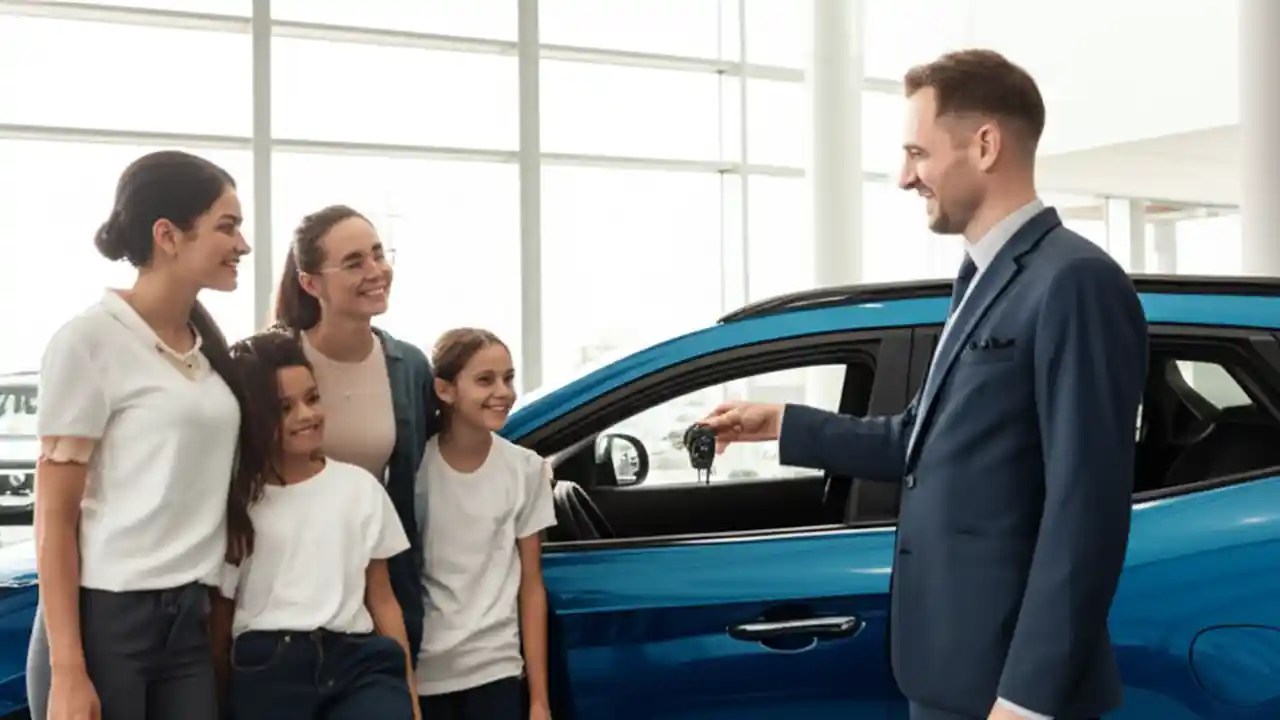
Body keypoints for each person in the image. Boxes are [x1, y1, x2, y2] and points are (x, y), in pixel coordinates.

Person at [700, 50, 1147, 720]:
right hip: (949, 670)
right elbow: (924, 440)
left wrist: (1027, 699)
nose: (905, 176)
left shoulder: (1073, 281)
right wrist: (781, 424)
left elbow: (1085, 511)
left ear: (985, 144)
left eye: (918, 152)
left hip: (1009, 687)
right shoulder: (979, 280)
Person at [27, 150, 254, 720]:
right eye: (227, 226)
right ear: (168, 235)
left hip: (188, 620)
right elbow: (54, 516)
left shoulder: (206, 348)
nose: (242, 244)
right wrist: (68, 671)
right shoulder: (89, 341)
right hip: (107, 623)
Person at [209, 331, 420, 720]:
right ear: (254, 416)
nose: (306, 415)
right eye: (284, 407)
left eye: (312, 398)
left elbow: (383, 599)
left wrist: (410, 697)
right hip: (267, 667)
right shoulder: (235, 504)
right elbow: (221, 613)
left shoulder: (360, 488)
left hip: (360, 662)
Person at [270, 204, 436, 662]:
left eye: (378, 254)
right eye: (354, 262)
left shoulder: (409, 367)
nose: (376, 271)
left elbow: (429, 461)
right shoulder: (267, 362)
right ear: (310, 283)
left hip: (377, 584)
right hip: (286, 595)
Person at [415, 328, 555, 720]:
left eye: (508, 378)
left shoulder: (525, 470)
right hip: (427, 675)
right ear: (445, 390)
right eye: (485, 380)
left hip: (498, 672)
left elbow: (531, 586)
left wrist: (539, 700)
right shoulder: (416, 470)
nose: (504, 391)